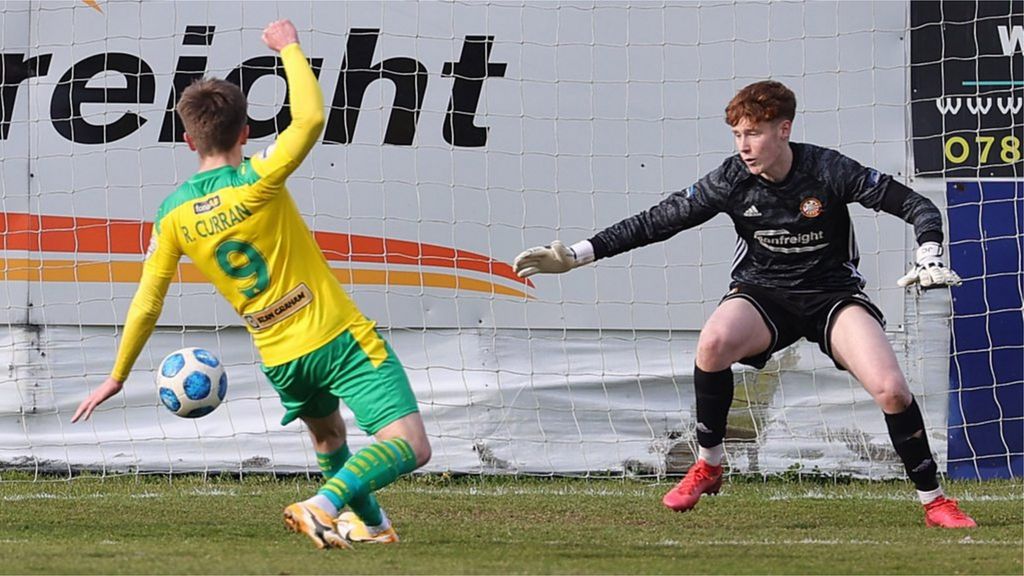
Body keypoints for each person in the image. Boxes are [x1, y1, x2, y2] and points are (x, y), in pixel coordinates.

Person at [513, 80, 976, 529]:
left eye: (752, 132)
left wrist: (929, 250)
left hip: (831, 295)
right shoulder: (732, 179)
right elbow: (657, 221)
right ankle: (709, 465)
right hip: (763, 293)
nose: (744, 145)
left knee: (893, 391)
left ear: (783, 130)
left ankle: (935, 501)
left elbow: (918, 206)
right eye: (737, 134)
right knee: (713, 343)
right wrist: (576, 255)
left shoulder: (828, 170)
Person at [71, 19, 431, 549]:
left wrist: (118, 375)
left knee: (330, 437)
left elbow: (148, 301)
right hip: (334, 335)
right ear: (245, 132)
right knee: (413, 447)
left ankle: (373, 526)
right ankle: (323, 504)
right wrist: (288, 48)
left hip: (280, 356)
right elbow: (309, 118)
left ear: (188, 139)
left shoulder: (171, 215)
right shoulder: (257, 179)